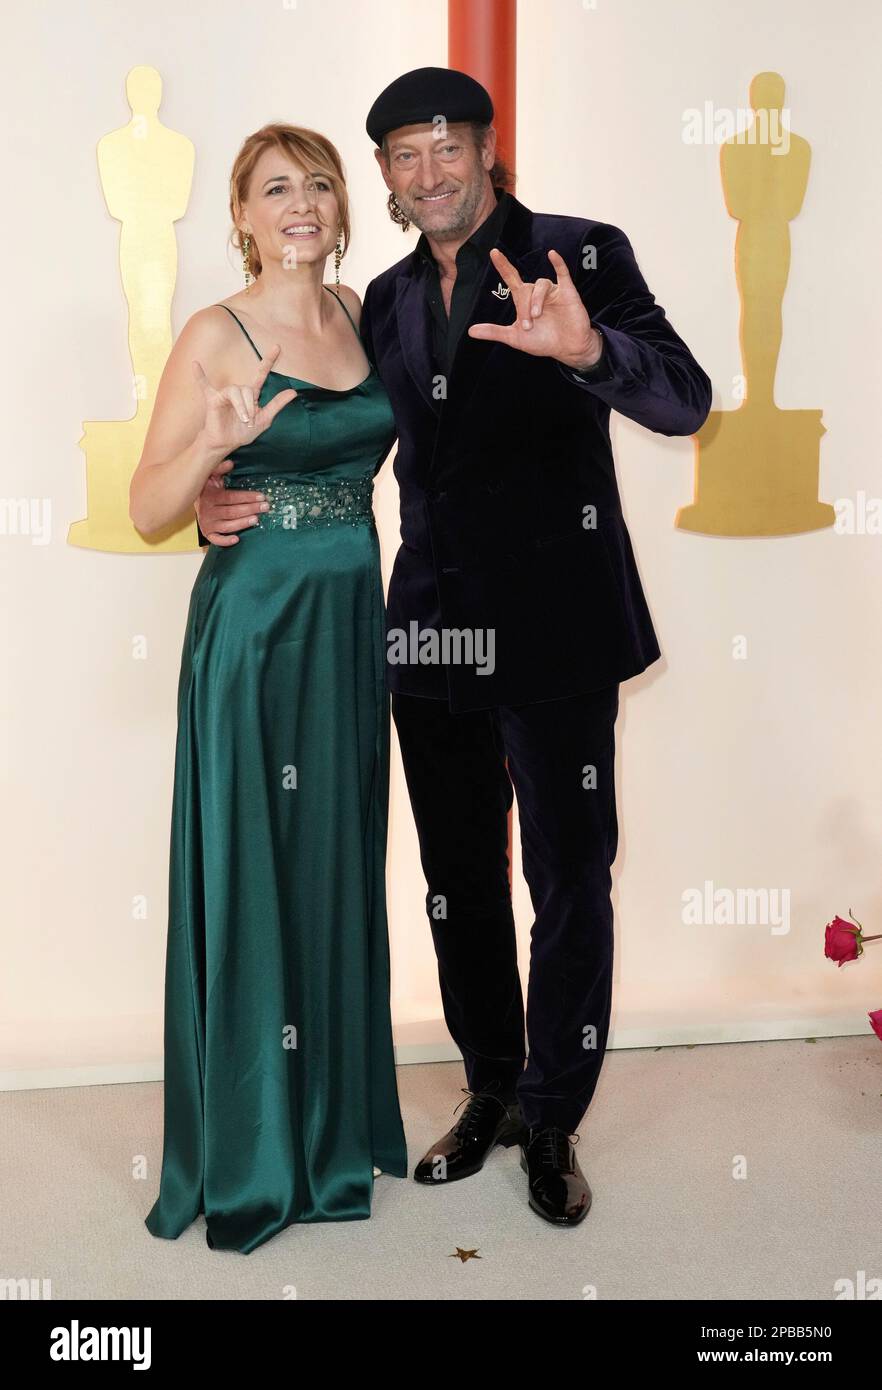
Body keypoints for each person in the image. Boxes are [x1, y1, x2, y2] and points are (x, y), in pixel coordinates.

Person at [196, 69, 713, 1227]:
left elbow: (686, 399)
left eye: (447, 148)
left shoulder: (579, 253)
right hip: (427, 636)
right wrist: (218, 495)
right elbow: (338, 446)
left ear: (488, 150)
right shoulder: (376, 299)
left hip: (561, 632)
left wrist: (588, 354)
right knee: (454, 884)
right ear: (382, 175)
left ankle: (554, 1116)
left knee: (569, 881)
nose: (427, 174)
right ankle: (491, 1088)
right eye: (402, 156)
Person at [131, 123, 407, 1254]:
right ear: (240, 214)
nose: (302, 204)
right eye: (276, 189)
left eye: (321, 186)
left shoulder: (364, 317)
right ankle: (251, 1146)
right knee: (254, 860)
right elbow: (147, 507)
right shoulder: (216, 330)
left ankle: (334, 1123)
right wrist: (210, 459)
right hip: (254, 627)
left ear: (343, 211)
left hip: (350, 617)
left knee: (336, 855)